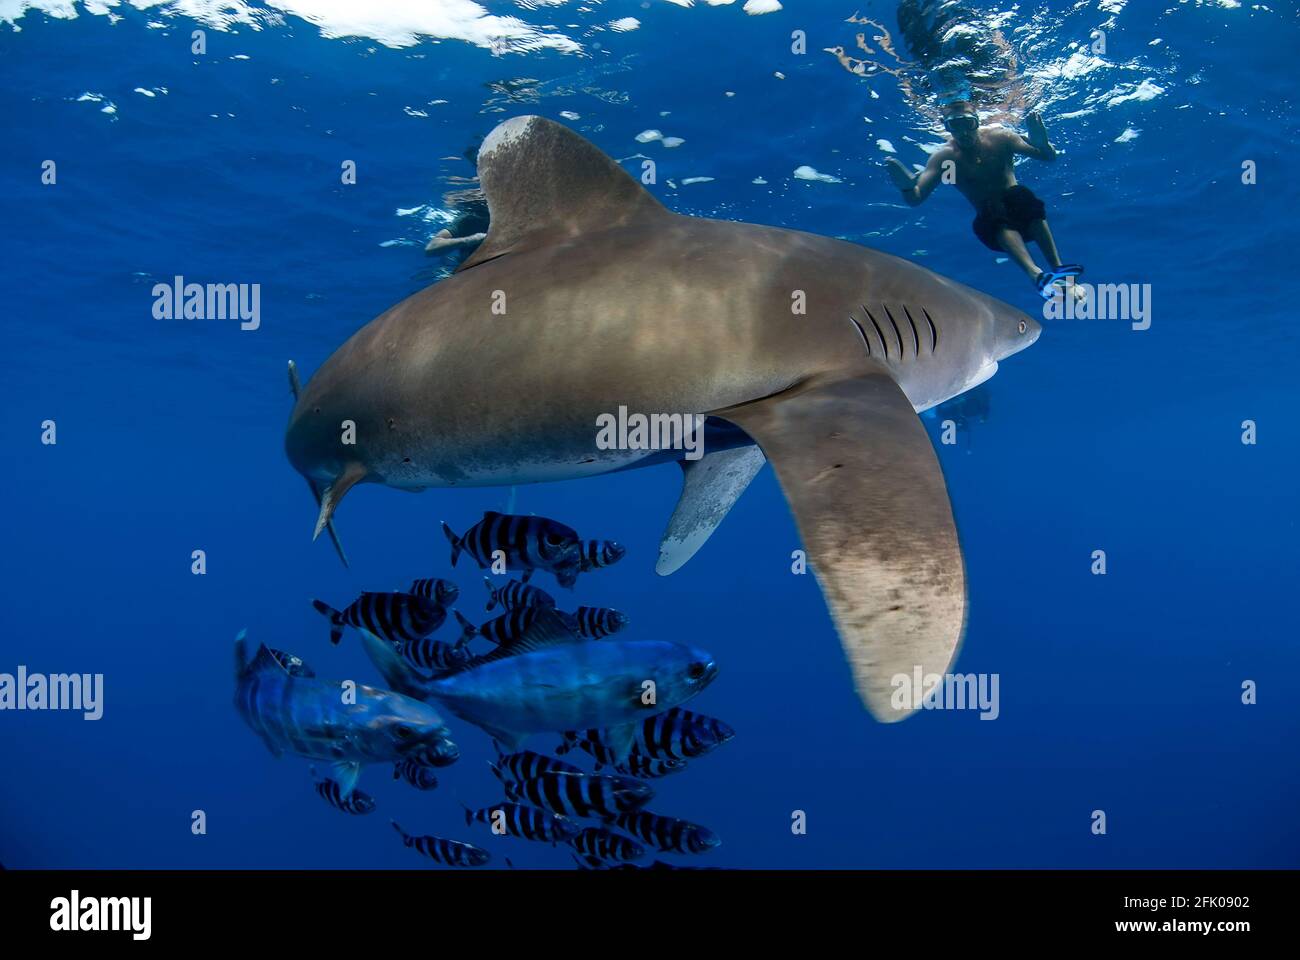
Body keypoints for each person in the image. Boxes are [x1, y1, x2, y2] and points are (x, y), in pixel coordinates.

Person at [885, 100, 1082, 300]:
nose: (963, 133)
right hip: (992, 230)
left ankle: (1059, 268)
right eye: (954, 126)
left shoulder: (1001, 139)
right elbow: (916, 198)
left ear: (978, 121)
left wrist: (1042, 142)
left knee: (1020, 196)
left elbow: (1047, 157)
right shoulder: (946, 159)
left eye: (968, 124)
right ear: (946, 127)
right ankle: (1035, 274)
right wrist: (907, 187)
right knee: (993, 209)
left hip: (1024, 214)